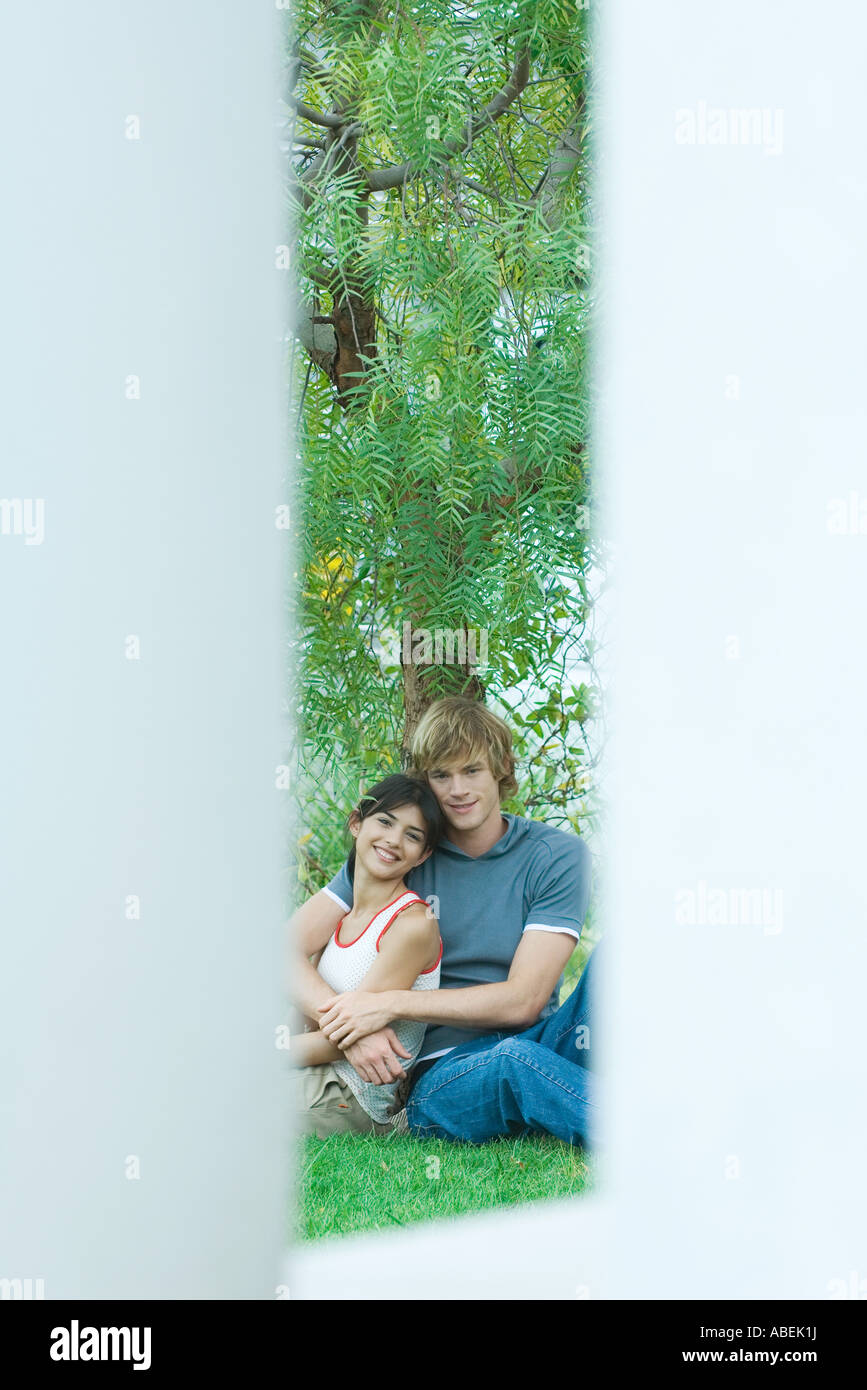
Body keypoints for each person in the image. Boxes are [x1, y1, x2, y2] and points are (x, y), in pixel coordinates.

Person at [306, 696, 601, 1148]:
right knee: (511, 1062)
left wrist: (389, 1004)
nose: (457, 789)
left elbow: (523, 1001)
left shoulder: (556, 855)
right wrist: (350, 1030)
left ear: (501, 766)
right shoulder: (402, 850)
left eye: (472, 771)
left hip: (544, 1039)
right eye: (441, 775)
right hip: (443, 1073)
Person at [288, 774, 444, 1137]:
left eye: (412, 835)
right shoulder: (341, 915)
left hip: (352, 1096)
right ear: (357, 823)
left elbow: (350, 1036)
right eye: (385, 822)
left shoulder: (413, 924)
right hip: (312, 1072)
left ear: (424, 854)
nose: (393, 840)